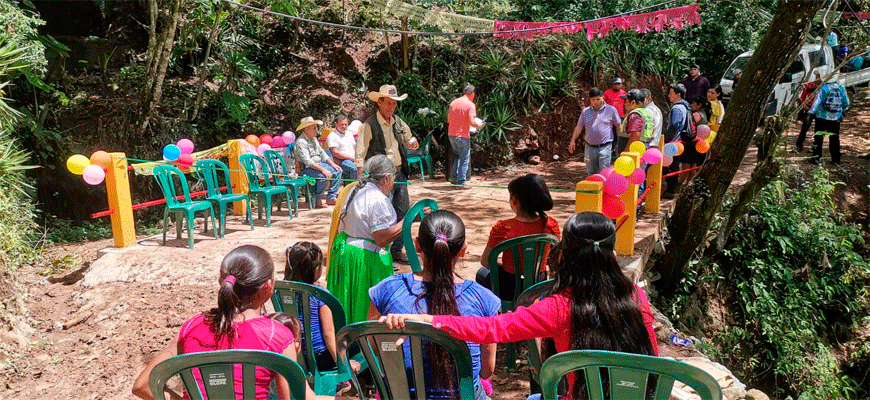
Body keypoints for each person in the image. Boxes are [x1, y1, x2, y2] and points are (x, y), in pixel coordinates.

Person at [379, 212, 659, 400]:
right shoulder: (636, 296)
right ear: (611, 253)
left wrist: (432, 320)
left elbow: (491, 329)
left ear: (565, 256)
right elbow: (651, 359)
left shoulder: (557, 307)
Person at [132, 245, 321, 400]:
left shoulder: (191, 328)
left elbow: (142, 385)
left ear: (222, 282)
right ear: (268, 286)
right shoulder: (277, 336)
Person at [368, 210, 499, 400]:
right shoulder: (482, 299)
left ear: (417, 245)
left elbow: (376, 349)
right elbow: (486, 371)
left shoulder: (387, 290)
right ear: (463, 250)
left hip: (399, 395)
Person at [327, 155, 404, 324]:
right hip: (362, 260)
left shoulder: (355, 190)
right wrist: (407, 220)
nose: (393, 184)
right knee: (364, 309)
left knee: (349, 305)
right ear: (385, 178)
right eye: (392, 179)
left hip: (348, 254)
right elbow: (381, 238)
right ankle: (364, 345)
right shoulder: (377, 199)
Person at [355, 84, 420, 263]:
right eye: (388, 103)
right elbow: (360, 153)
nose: (392, 106)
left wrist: (412, 143)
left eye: (394, 103)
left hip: (399, 174)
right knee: (384, 215)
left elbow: (408, 139)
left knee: (402, 212)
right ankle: (384, 254)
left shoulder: (398, 122)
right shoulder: (369, 125)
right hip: (381, 178)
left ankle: (397, 251)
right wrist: (361, 178)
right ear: (379, 103)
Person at [476, 174, 560, 301]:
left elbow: (485, 262)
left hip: (509, 288)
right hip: (538, 287)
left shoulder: (504, 228)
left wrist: (504, 266)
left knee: (481, 273)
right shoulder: (550, 225)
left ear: (515, 200)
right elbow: (555, 259)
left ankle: (494, 311)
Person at [283, 242, 340, 372]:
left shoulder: (280, 292)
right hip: (320, 358)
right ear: (317, 270)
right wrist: (342, 364)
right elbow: (328, 334)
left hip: (293, 354)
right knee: (357, 346)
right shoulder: (320, 295)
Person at [567, 88, 622, 176]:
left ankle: (604, 190)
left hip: (605, 146)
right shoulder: (585, 112)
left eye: (598, 99)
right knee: (591, 173)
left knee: (604, 173)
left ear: (603, 98)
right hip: (589, 147)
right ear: (590, 100)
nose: (595, 102)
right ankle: (593, 190)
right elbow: (579, 127)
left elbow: (618, 126)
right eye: (593, 100)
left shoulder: (611, 110)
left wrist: (619, 142)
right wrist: (572, 140)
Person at [295, 117, 342, 207]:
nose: (317, 130)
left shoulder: (314, 139)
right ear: (307, 129)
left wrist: (332, 164)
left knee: (338, 171)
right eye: (314, 128)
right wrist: (323, 170)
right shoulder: (301, 142)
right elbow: (307, 161)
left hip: (319, 164)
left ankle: (331, 197)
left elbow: (322, 152)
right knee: (323, 176)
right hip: (306, 168)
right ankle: (317, 199)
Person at [447, 84, 484, 188]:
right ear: (471, 94)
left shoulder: (453, 103)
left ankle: (453, 177)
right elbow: (473, 122)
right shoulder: (470, 105)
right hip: (462, 135)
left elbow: (448, 120)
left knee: (458, 156)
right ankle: (461, 183)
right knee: (464, 159)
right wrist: (479, 125)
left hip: (451, 134)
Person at [808, 74, 849, 164]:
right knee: (834, 138)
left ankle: (816, 158)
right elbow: (846, 102)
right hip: (835, 117)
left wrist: (810, 113)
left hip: (822, 116)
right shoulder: (841, 87)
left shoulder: (824, 88)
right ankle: (836, 159)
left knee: (818, 138)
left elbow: (817, 102)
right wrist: (841, 111)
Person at [663, 83, 693, 199]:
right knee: (674, 165)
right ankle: (671, 189)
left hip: (673, 142)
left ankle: (670, 189)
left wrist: (667, 138)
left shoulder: (677, 108)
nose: (669, 96)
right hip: (679, 142)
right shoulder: (686, 107)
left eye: (671, 93)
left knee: (670, 166)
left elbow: (674, 125)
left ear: (678, 94)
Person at [795, 70, 821, 153]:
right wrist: (805, 107)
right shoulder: (807, 85)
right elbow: (802, 97)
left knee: (818, 129)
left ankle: (815, 147)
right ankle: (799, 146)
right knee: (804, 128)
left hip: (818, 109)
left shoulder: (821, 86)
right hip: (809, 109)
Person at [326, 115, 358, 181]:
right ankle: (354, 187)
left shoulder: (349, 134)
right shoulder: (332, 136)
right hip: (342, 160)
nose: (344, 126)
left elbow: (354, 147)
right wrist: (350, 158)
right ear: (336, 124)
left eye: (345, 124)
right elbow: (335, 153)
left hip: (352, 159)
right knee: (353, 168)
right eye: (341, 124)